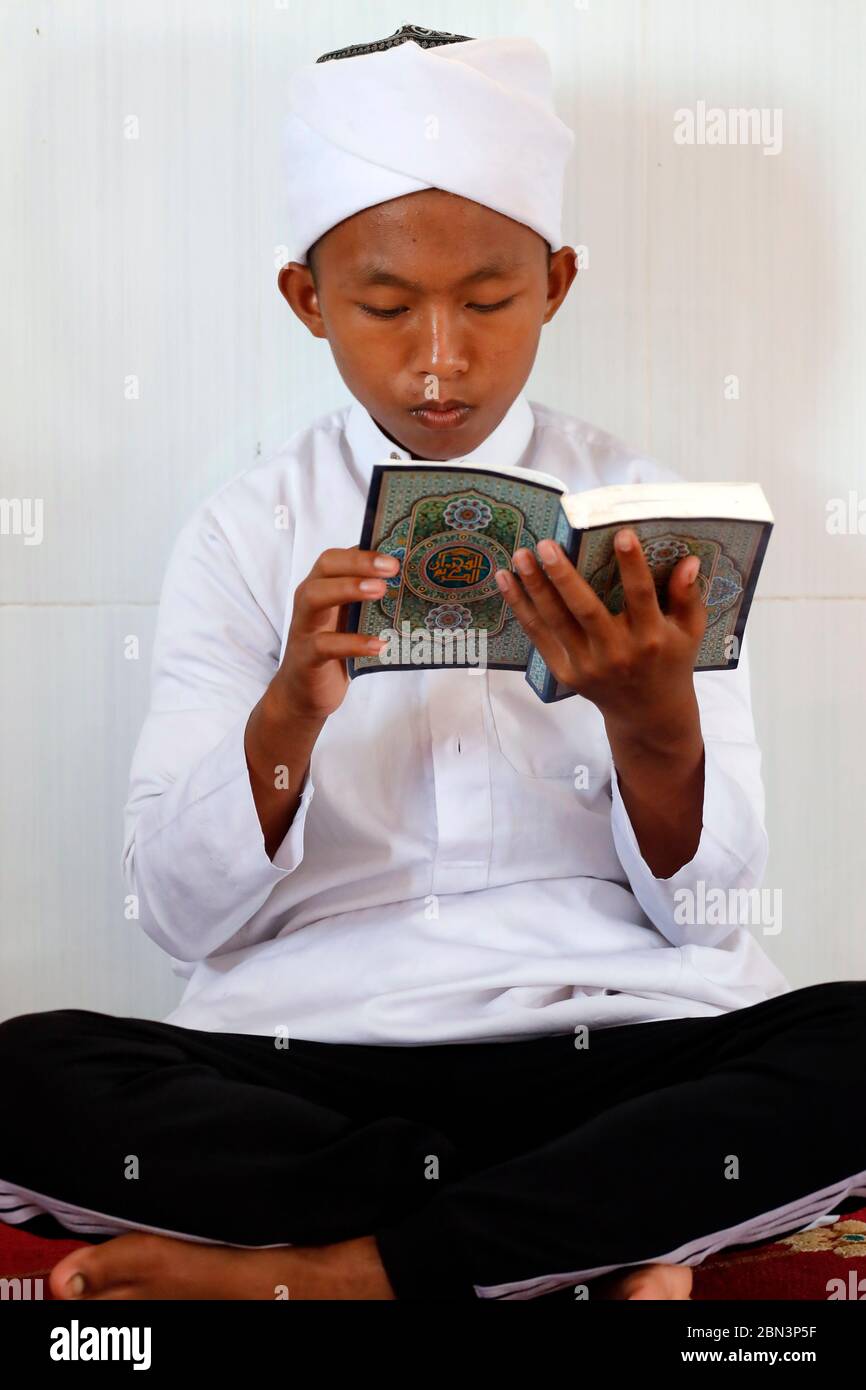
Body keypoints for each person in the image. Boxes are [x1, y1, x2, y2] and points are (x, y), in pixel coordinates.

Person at [1, 24, 864, 1302]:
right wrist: (286, 714)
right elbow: (180, 921)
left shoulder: (641, 512)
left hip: (612, 1034)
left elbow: (709, 914)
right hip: (315, 1053)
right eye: (387, 306)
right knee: (27, 1070)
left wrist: (651, 721)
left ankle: (346, 1271)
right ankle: (575, 1239)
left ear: (557, 281)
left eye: (489, 300)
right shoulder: (247, 532)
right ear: (306, 300)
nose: (442, 357)